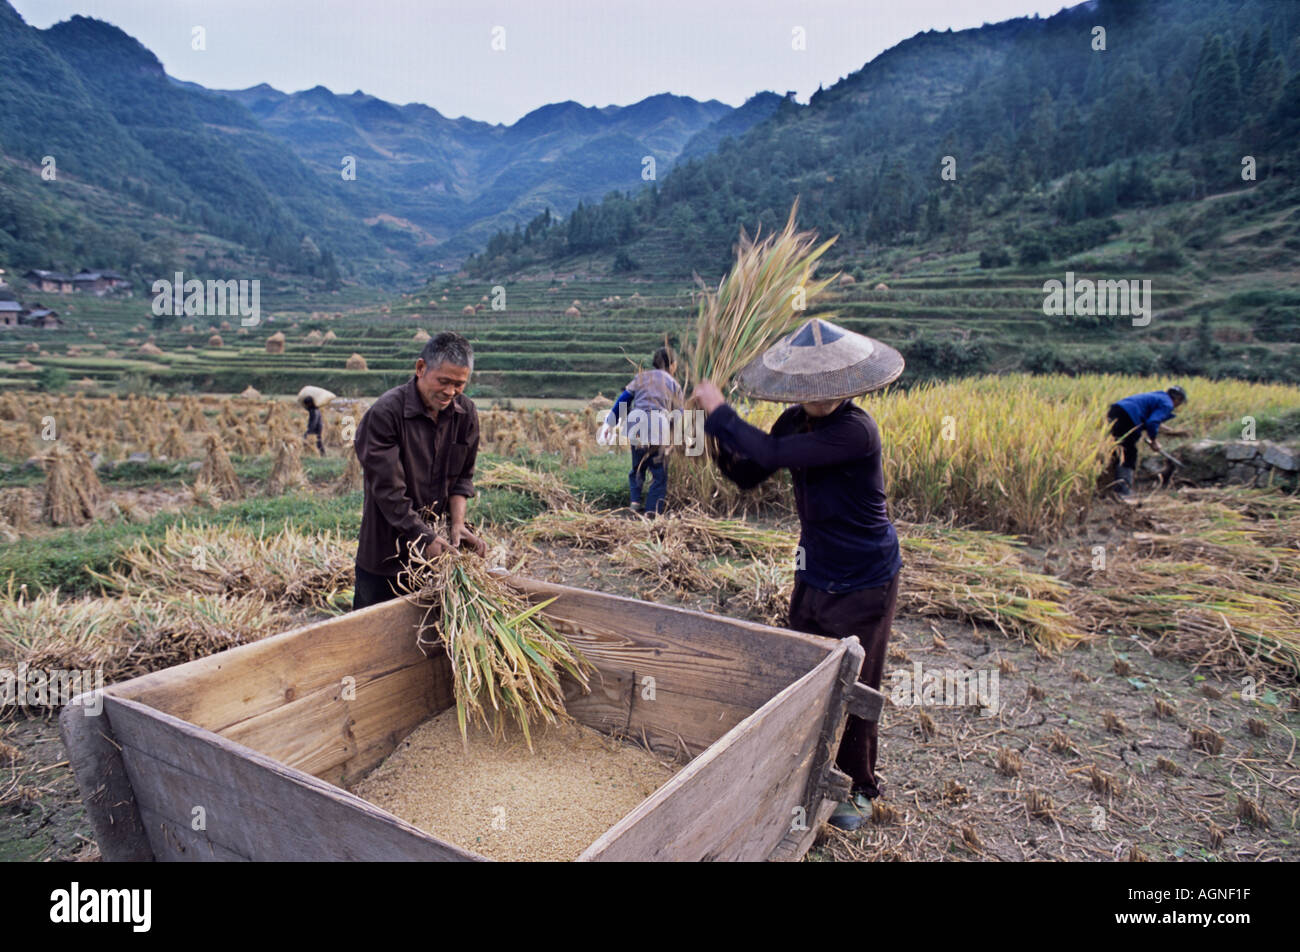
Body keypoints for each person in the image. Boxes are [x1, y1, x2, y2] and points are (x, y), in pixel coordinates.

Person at [692, 317, 905, 832]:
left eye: (831, 384)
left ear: (846, 383)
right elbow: (750, 472)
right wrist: (710, 434)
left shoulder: (856, 430)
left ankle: (860, 789)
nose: (821, 393)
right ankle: (803, 768)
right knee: (805, 671)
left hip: (864, 575)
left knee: (856, 680)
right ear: (799, 384)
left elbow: (770, 453)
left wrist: (721, 411)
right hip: (814, 568)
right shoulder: (793, 420)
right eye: (811, 385)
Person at [351, 332, 487, 611]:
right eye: (444, 381)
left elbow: (463, 478)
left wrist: (458, 525)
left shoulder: (466, 413)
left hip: (439, 555)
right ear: (421, 368)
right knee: (372, 642)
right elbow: (389, 492)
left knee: (429, 640)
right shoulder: (386, 413)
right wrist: (424, 537)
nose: (450, 391)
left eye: (459, 384)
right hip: (386, 557)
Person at [598, 346, 684, 516]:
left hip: (637, 426)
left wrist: (609, 423)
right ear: (672, 365)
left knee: (638, 467)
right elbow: (679, 413)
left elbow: (624, 399)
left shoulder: (640, 378)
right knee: (659, 474)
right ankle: (652, 511)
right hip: (659, 430)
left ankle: (635, 502)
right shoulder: (673, 384)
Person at [1107, 385, 1187, 496]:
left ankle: (1113, 486)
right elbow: (1152, 422)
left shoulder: (1159, 396)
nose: (1178, 406)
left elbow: (1148, 416)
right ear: (1178, 399)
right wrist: (1153, 441)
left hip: (1117, 411)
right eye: (1180, 402)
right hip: (1128, 416)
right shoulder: (1167, 403)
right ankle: (1123, 491)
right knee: (1129, 452)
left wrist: (1164, 428)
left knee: (1119, 449)